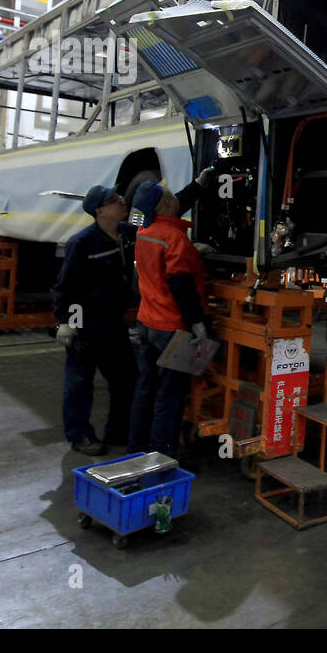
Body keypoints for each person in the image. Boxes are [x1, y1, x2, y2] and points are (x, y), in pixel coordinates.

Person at [51, 185, 136, 455]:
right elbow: (66, 288)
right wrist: (67, 323)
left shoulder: (125, 235)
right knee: (79, 383)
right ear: (100, 211)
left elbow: (159, 230)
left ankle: (117, 431)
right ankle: (80, 436)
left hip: (113, 323)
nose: (122, 202)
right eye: (115, 200)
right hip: (86, 326)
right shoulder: (83, 242)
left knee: (125, 380)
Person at [129, 180, 211, 458]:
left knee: (145, 390)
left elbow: (173, 205)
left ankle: (136, 449)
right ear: (164, 204)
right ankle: (161, 459)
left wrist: (199, 184)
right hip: (173, 329)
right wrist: (197, 322)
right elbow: (181, 286)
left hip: (147, 323)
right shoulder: (174, 239)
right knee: (170, 399)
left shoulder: (144, 230)